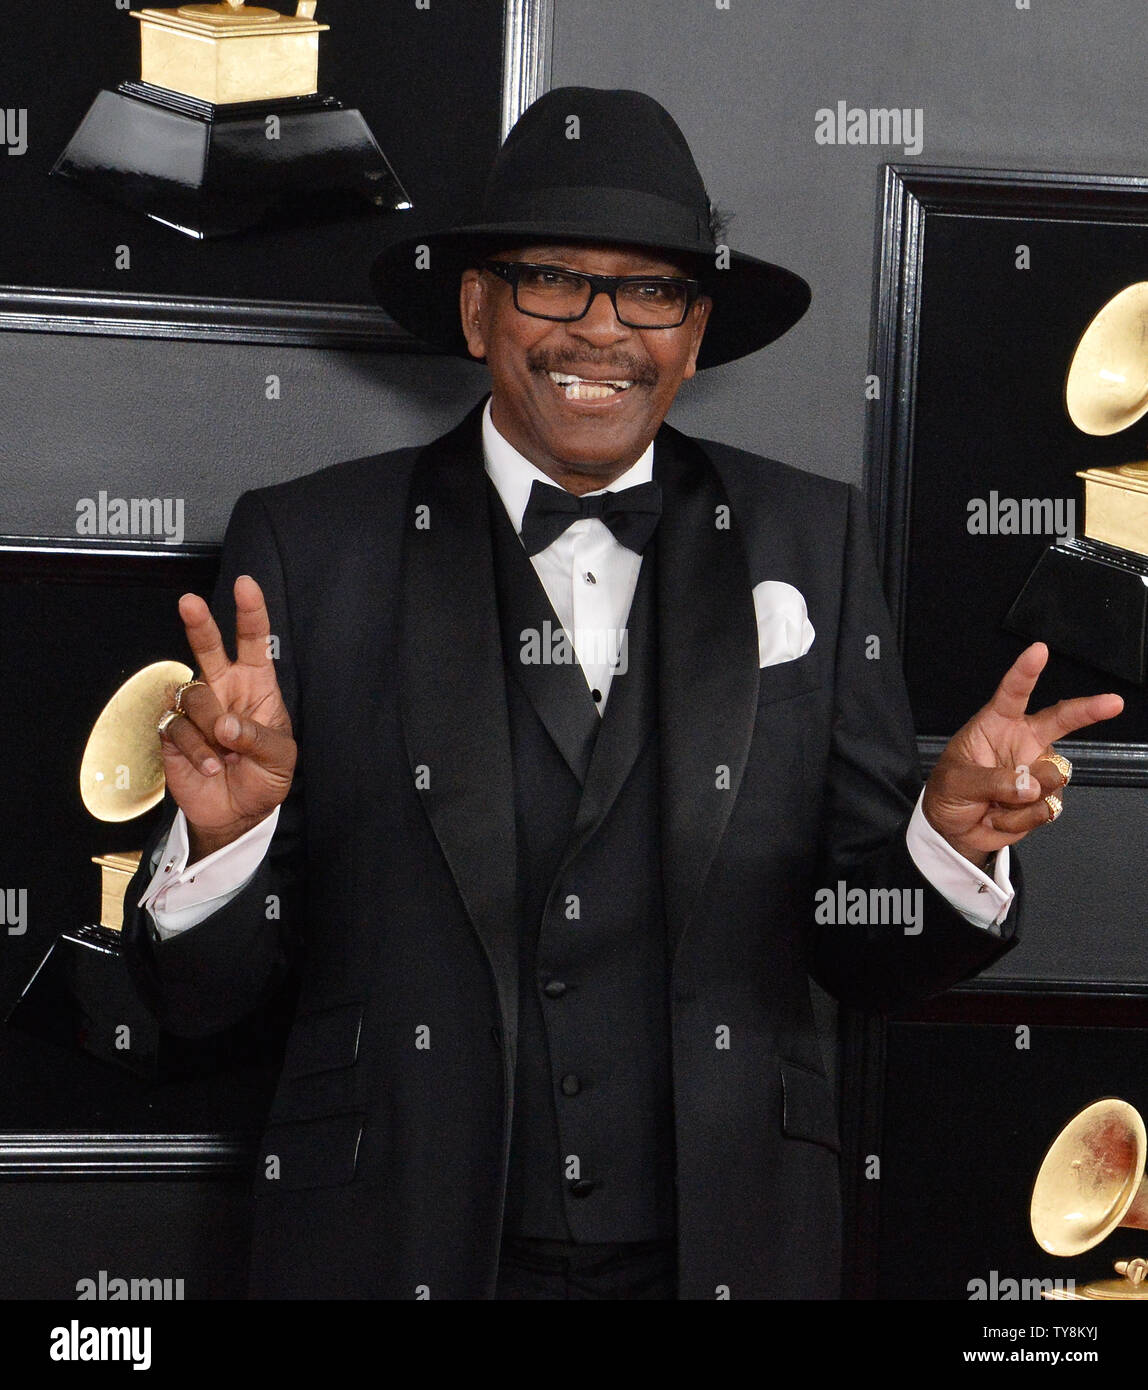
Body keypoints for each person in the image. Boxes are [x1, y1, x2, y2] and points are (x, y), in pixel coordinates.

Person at [123, 87, 1123, 1300]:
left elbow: (862, 955)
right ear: (478, 307)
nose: (600, 330)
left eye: (650, 291)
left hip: (730, 1246)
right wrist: (224, 846)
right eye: (553, 278)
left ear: (694, 334)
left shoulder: (808, 536)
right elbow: (204, 1003)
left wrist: (942, 851)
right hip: (393, 1242)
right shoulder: (306, 544)